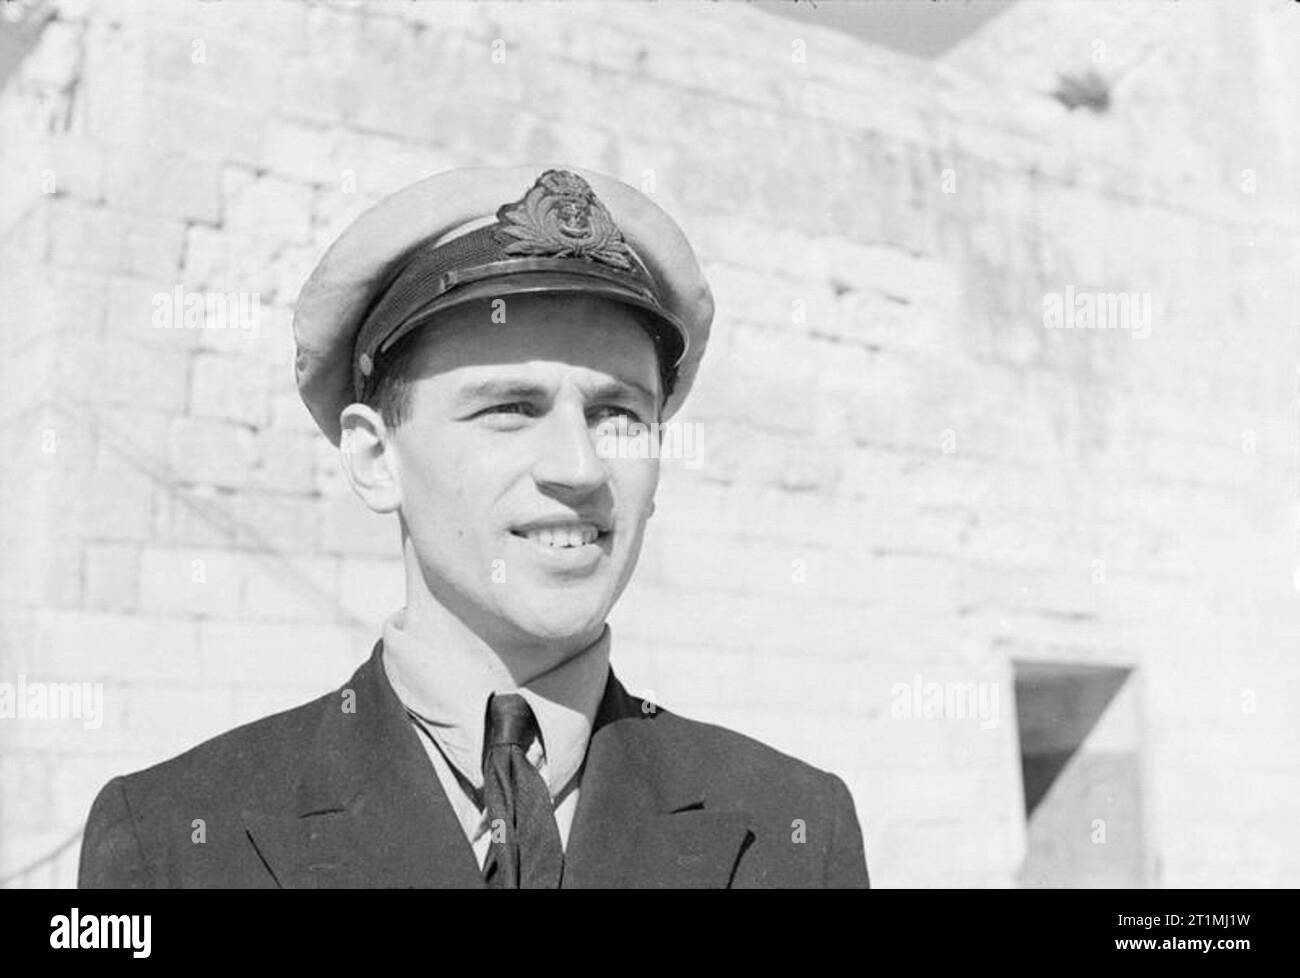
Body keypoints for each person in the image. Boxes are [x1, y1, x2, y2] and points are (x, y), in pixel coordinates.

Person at [78, 166, 870, 888]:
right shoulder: (173, 842)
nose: (581, 468)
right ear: (375, 458)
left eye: (617, 415)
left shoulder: (795, 832)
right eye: (510, 409)